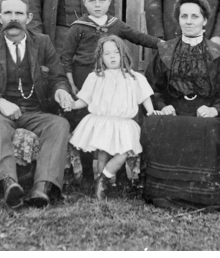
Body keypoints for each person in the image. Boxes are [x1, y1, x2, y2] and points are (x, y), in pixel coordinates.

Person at [141, 0, 220, 211]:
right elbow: (150, 88)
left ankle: (204, 194)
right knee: (156, 124)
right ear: (178, 19)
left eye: (194, 16)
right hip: (174, 110)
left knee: (206, 128)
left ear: (205, 21)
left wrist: (214, 109)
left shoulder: (217, 53)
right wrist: (163, 106)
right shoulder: (165, 51)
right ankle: (166, 192)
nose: (189, 21)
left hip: (207, 113)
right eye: (184, 16)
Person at [0, 0, 75, 208]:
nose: (13, 18)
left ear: (29, 17)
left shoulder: (42, 43)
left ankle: (42, 187)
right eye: (8, 13)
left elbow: (57, 77)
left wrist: (61, 90)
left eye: (19, 13)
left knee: (59, 124)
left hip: (36, 111)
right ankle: (8, 184)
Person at [66, 35, 159, 199]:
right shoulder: (96, 77)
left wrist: (151, 111)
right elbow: (84, 99)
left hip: (124, 124)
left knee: (123, 152)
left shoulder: (134, 77)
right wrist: (72, 105)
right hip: (102, 121)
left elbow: (144, 97)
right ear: (100, 57)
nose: (112, 56)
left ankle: (104, 179)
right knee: (103, 153)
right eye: (107, 54)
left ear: (123, 55)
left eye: (116, 52)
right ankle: (101, 187)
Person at [61, 0, 161, 96]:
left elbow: (138, 37)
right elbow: (66, 58)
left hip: (111, 75)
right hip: (84, 76)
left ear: (109, 1)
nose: (97, 4)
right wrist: (71, 84)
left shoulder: (116, 24)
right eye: (92, 0)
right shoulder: (78, 27)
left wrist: (163, 44)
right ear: (84, 2)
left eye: (102, 0)